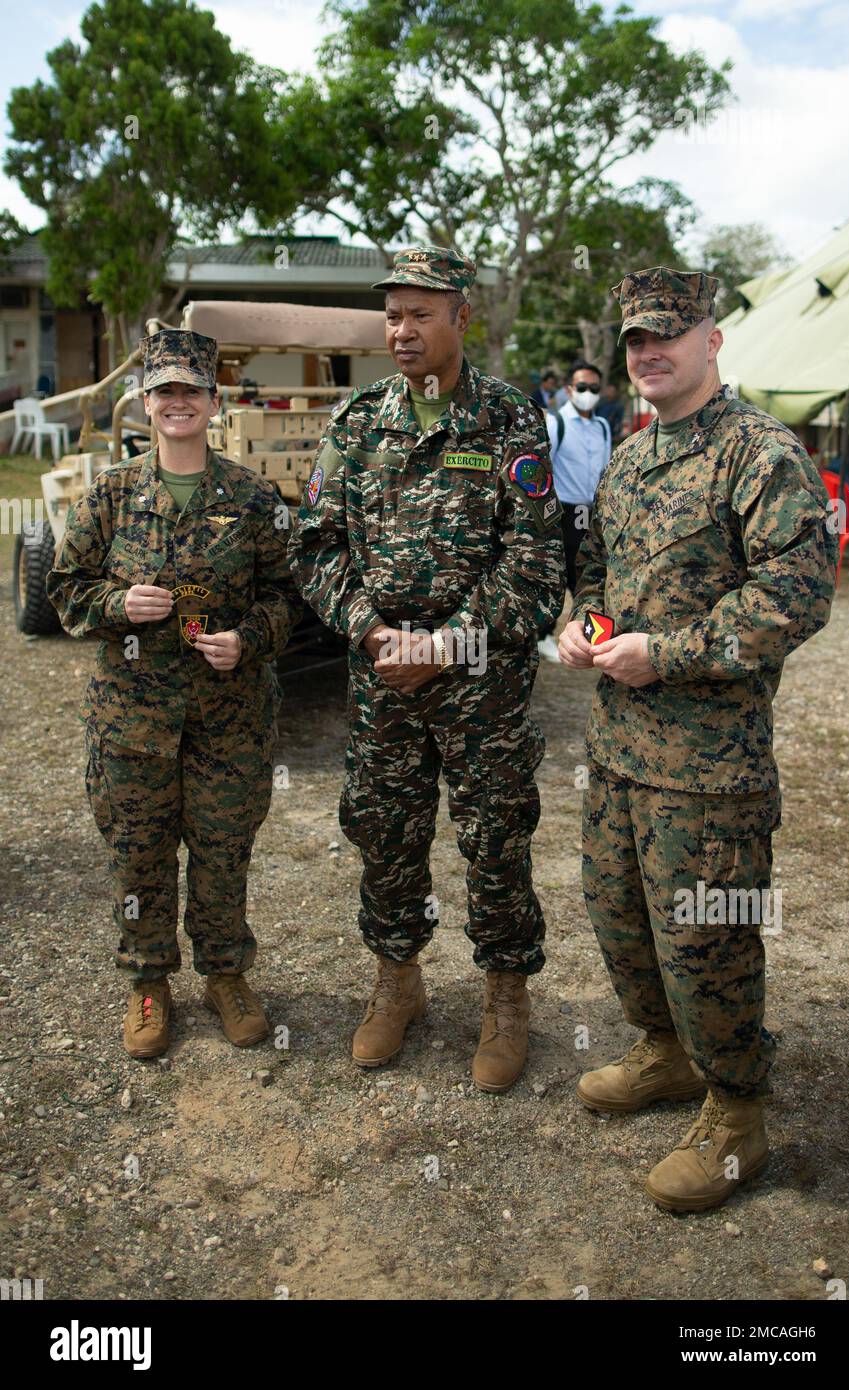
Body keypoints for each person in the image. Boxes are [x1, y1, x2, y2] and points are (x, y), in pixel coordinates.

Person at [558, 267, 837, 1212]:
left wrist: (667, 654)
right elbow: (595, 567)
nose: (647, 354)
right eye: (635, 339)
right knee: (620, 920)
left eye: (667, 335)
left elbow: (798, 591)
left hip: (708, 772)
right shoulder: (632, 458)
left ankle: (737, 1114)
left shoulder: (761, 454)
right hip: (618, 750)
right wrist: (583, 624)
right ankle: (666, 1055)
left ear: (712, 340)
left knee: (706, 940)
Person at [288, 245, 565, 1093]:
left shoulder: (511, 422)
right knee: (385, 832)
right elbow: (314, 543)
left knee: (494, 835)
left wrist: (445, 644)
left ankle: (506, 999)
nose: (402, 331)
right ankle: (396, 983)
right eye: (393, 314)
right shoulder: (357, 420)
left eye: (420, 314)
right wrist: (372, 632)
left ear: (460, 318)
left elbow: (537, 565)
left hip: (480, 685)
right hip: (382, 682)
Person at [47, 330, 301, 1059]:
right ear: (146, 404)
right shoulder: (112, 493)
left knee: (223, 851)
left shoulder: (253, 499)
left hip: (230, 718)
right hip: (134, 719)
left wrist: (247, 639)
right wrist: (117, 607)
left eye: (192, 389)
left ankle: (226, 974)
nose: (178, 402)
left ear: (214, 403)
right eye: (164, 391)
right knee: (140, 852)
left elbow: (290, 598)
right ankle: (148, 981)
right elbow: (65, 590)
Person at [536, 359, 612, 664]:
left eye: (593, 388)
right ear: (569, 389)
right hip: (565, 512)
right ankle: (544, 636)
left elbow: (605, 469)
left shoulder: (603, 426)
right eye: (582, 387)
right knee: (561, 576)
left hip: (593, 512)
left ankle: (596, 637)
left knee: (594, 576)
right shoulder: (557, 423)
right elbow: (541, 469)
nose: (587, 393)